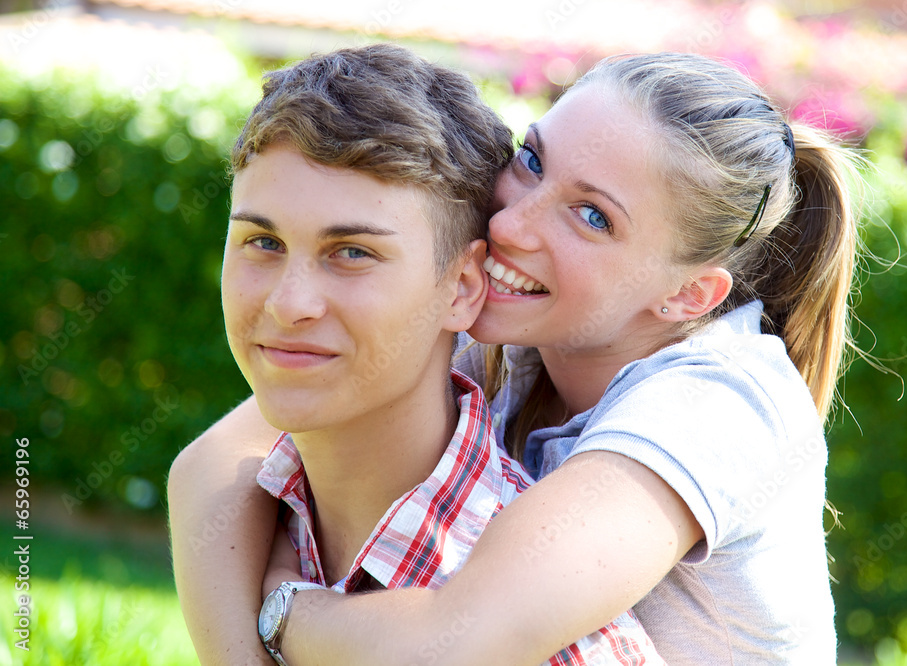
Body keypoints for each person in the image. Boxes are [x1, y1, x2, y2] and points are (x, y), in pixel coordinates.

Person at [169, 49, 864, 664]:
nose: (509, 223)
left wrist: (285, 609)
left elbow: (460, 643)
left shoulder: (721, 403)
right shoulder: (520, 336)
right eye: (532, 161)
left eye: (592, 216)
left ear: (688, 295)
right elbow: (212, 469)